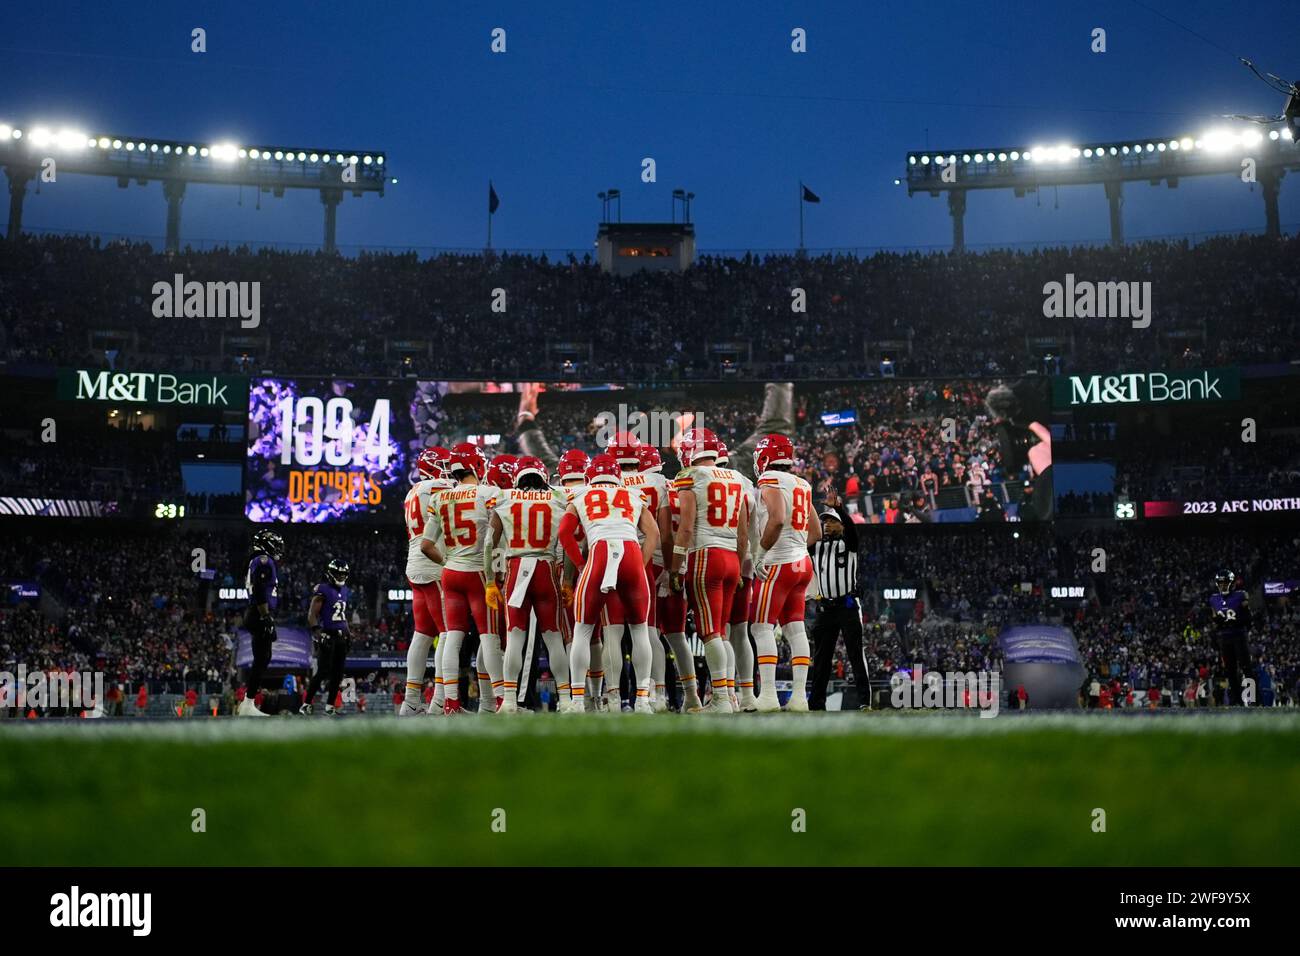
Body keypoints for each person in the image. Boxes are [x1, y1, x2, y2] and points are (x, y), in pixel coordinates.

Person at [559, 454, 660, 713]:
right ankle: (643, 701)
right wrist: (640, 562)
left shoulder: (580, 494)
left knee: (583, 629)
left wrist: (582, 565)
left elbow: (564, 533)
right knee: (639, 631)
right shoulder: (634, 494)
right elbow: (654, 533)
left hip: (600, 551)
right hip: (631, 550)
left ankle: (578, 701)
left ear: (590, 476)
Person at [669, 429, 751, 714]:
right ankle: (728, 694)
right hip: (731, 557)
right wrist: (740, 566)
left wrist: (676, 567)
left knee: (710, 632)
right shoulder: (737, 478)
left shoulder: (691, 476)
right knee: (723, 632)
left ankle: (719, 699)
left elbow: (687, 528)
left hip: (707, 555)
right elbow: (743, 534)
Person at [484, 456, 569, 714]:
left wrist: (489, 581)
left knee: (514, 638)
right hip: (546, 568)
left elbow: (489, 543)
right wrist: (566, 580)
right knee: (554, 638)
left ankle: (509, 700)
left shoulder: (506, 498)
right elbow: (564, 542)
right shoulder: (558, 499)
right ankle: (566, 700)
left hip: (517, 568)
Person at [751, 433, 820, 712]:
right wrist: (796, 546)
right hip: (803, 563)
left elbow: (778, 518)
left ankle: (767, 695)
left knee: (761, 626)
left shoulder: (769, 480)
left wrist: (761, 553)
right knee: (795, 629)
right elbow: (815, 531)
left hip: (779, 561)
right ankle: (799, 698)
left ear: (765, 457)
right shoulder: (802, 483)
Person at [400, 446, 453, 716]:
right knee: (448, 632)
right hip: (433, 560)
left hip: (414, 562)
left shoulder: (412, 491)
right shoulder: (437, 486)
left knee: (422, 633)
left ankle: (410, 701)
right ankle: (440, 700)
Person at [807, 488, 869, 711]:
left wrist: (838, 509)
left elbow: (852, 528)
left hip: (847, 606)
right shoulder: (817, 546)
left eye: (832, 521)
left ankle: (864, 701)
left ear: (841, 525)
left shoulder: (849, 544)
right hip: (825, 609)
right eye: (825, 522)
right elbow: (807, 530)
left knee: (855, 655)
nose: (826, 525)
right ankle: (816, 703)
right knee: (821, 659)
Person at [239, 528, 284, 717]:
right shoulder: (264, 560)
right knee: (262, 658)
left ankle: (247, 704)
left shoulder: (256, 560)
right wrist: (265, 616)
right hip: (258, 612)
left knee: (263, 658)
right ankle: (248, 704)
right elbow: (259, 589)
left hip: (255, 612)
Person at [300, 559, 352, 716]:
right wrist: (317, 632)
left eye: (344, 574)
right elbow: (312, 613)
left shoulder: (345, 590)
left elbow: (342, 617)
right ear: (330, 573)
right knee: (322, 672)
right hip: (328, 635)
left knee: (338, 673)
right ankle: (306, 704)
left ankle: (330, 706)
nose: (341, 577)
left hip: (341, 636)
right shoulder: (322, 589)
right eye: (338, 574)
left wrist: (348, 634)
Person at [1209, 569, 1253, 706]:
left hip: (1239, 635)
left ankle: (1253, 699)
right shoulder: (1214, 599)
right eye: (1220, 583)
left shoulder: (1241, 595)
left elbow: (1248, 617)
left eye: (1225, 582)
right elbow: (1215, 617)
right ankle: (1236, 701)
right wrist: (1218, 624)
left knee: (1246, 668)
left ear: (1232, 583)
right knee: (1230, 670)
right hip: (1224, 638)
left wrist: (1238, 620)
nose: (1223, 585)